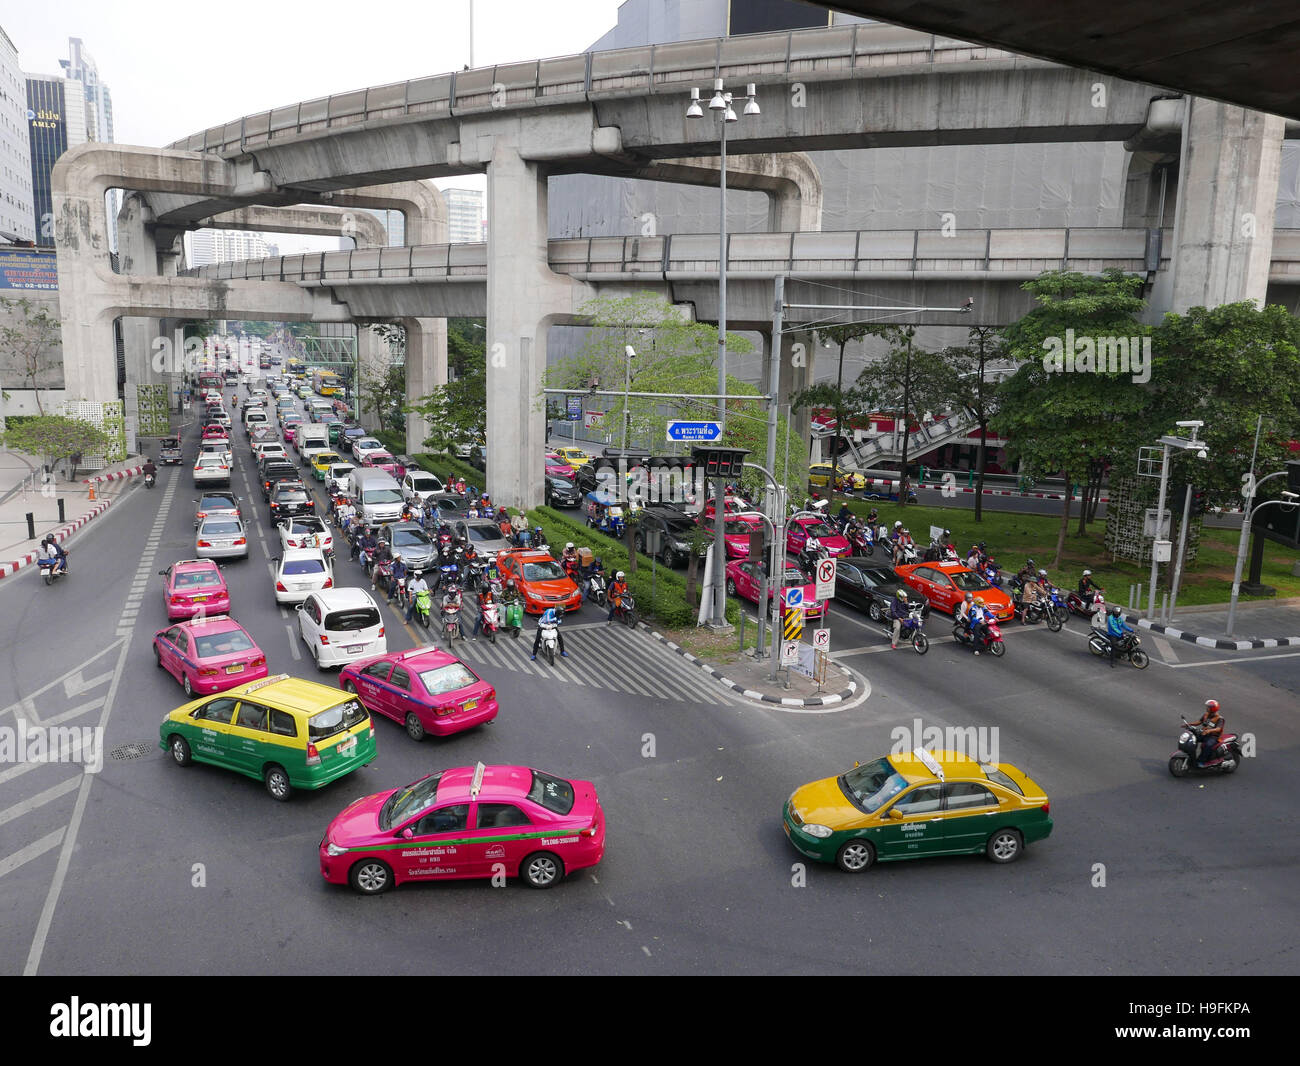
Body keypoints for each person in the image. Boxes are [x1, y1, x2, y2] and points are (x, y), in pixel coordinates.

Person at [1195, 699, 1225, 765]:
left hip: (1214, 737)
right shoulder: (1206, 715)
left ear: (1213, 709)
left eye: (1208, 707)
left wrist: (1209, 730)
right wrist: (1189, 724)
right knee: (1193, 738)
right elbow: (1199, 722)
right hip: (1205, 734)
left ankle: (1202, 761)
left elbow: (1218, 729)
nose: (1207, 708)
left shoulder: (1220, 718)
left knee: (1207, 745)